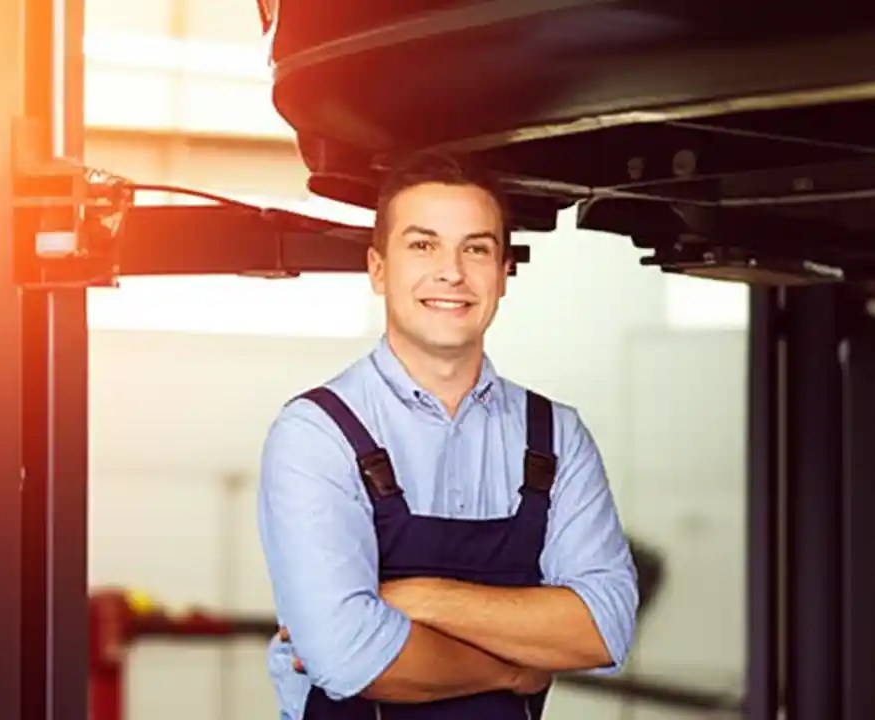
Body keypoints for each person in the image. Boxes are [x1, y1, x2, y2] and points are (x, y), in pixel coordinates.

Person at [256, 150, 638, 720]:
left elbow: (604, 628)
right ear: (378, 269)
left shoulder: (557, 437)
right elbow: (347, 655)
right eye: (423, 244)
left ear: (504, 274)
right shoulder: (316, 434)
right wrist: (509, 669)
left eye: (476, 249)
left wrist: (416, 599)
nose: (452, 272)